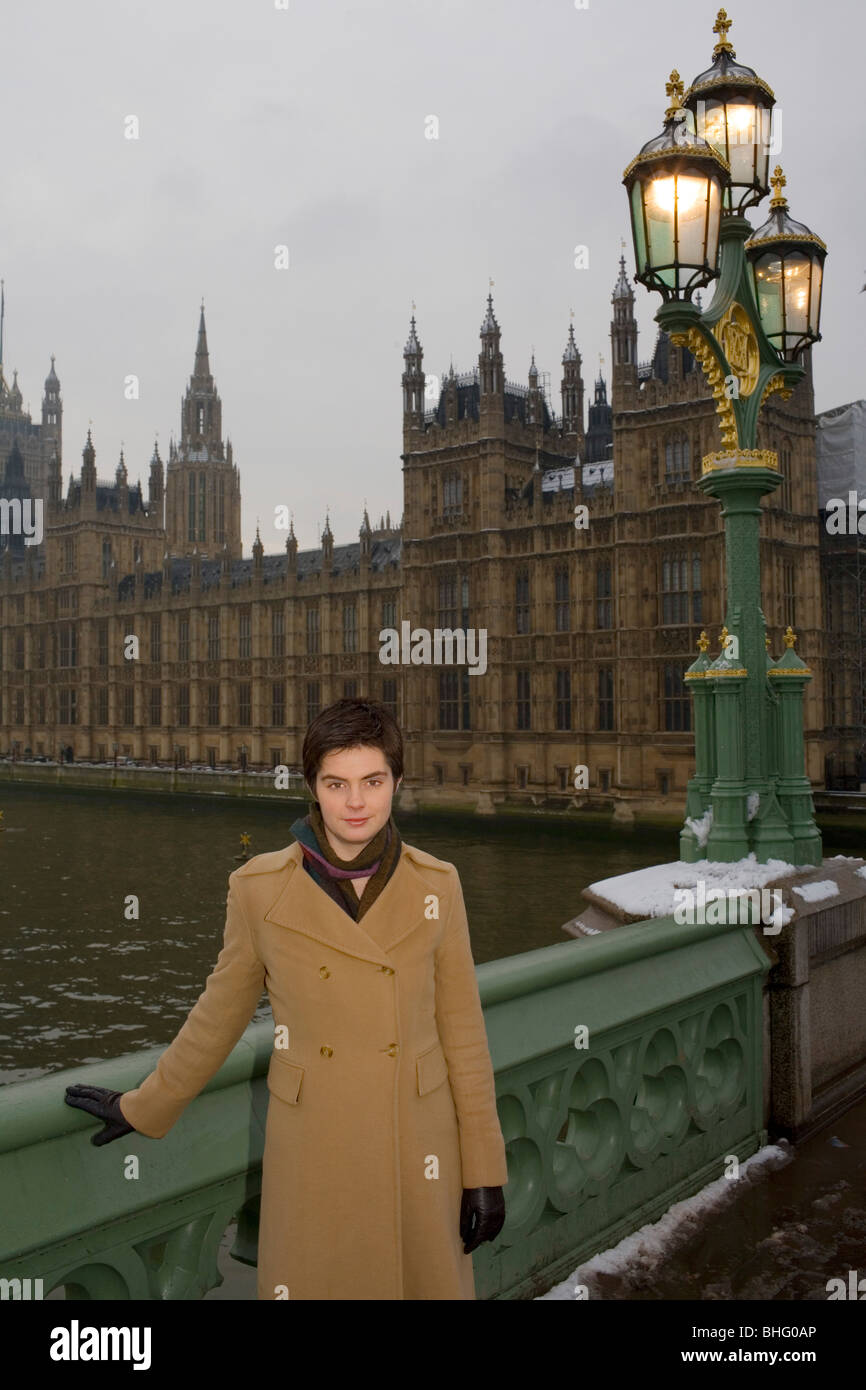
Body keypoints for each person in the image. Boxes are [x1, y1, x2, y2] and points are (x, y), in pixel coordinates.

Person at [65, 697, 508, 1299]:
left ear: (397, 783)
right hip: (314, 1145)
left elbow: (463, 1032)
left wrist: (484, 1171)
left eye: (372, 781)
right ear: (312, 787)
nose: (356, 802)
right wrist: (147, 1106)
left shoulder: (439, 884)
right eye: (337, 783)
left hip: (420, 1146)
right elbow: (219, 1014)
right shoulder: (257, 890)